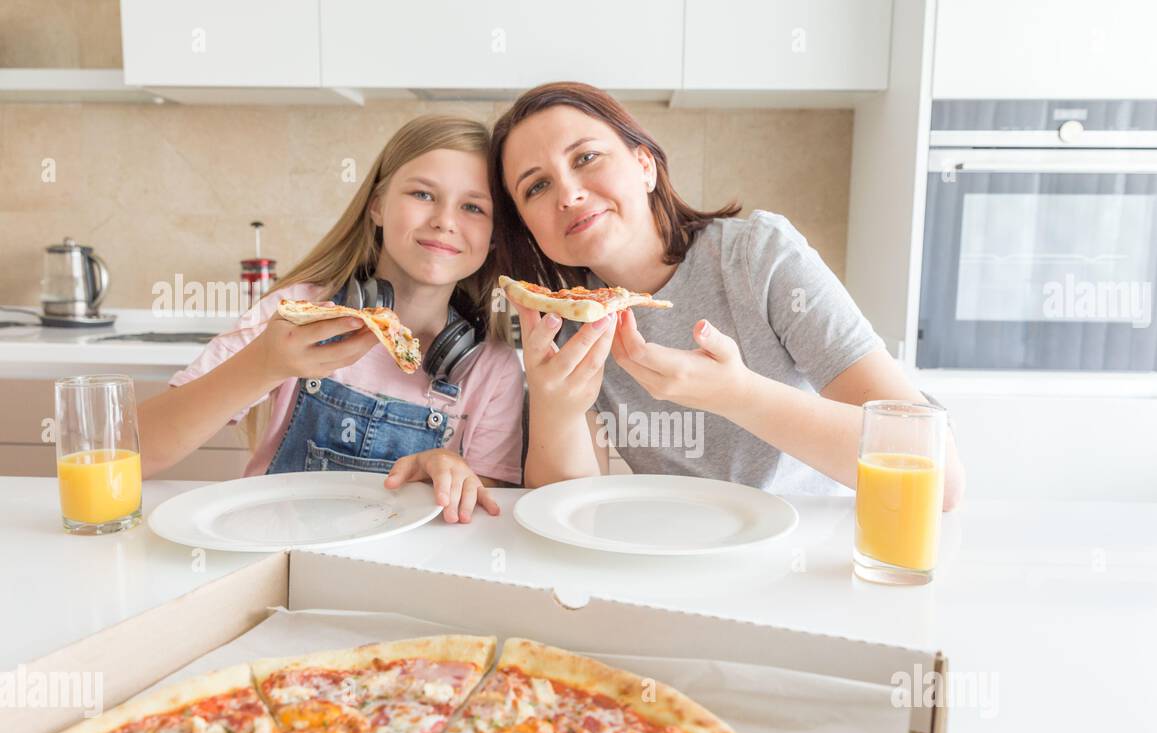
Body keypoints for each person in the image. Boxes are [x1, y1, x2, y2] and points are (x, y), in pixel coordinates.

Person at [488, 82, 964, 508]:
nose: (567, 194)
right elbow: (569, 512)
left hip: (814, 567)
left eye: (586, 158)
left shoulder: (759, 257)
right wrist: (556, 410)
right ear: (528, 228)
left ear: (644, 165)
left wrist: (739, 395)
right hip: (681, 565)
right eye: (537, 186)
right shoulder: (568, 321)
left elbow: (938, 477)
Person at [139, 115, 525, 523]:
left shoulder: (492, 370)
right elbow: (137, 452)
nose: (445, 220)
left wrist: (448, 469)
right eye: (423, 194)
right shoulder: (294, 313)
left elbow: (487, 518)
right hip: (274, 559)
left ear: (495, 234)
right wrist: (263, 364)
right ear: (377, 205)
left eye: (472, 207)